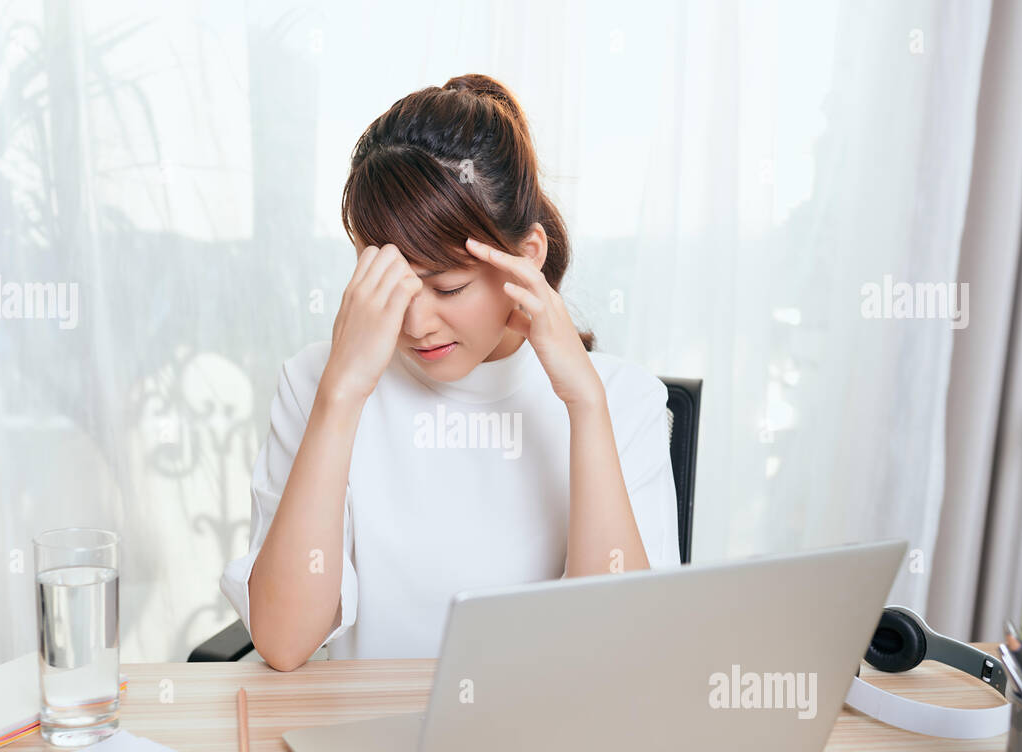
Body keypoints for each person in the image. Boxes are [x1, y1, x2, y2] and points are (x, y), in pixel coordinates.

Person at [220, 74, 679, 670]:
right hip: (366, 746)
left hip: (544, 747)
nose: (415, 323)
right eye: (390, 283)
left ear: (527, 258)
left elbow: (615, 655)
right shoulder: (318, 382)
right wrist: (341, 394)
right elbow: (282, 641)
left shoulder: (620, 398)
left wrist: (585, 408)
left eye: (448, 286)